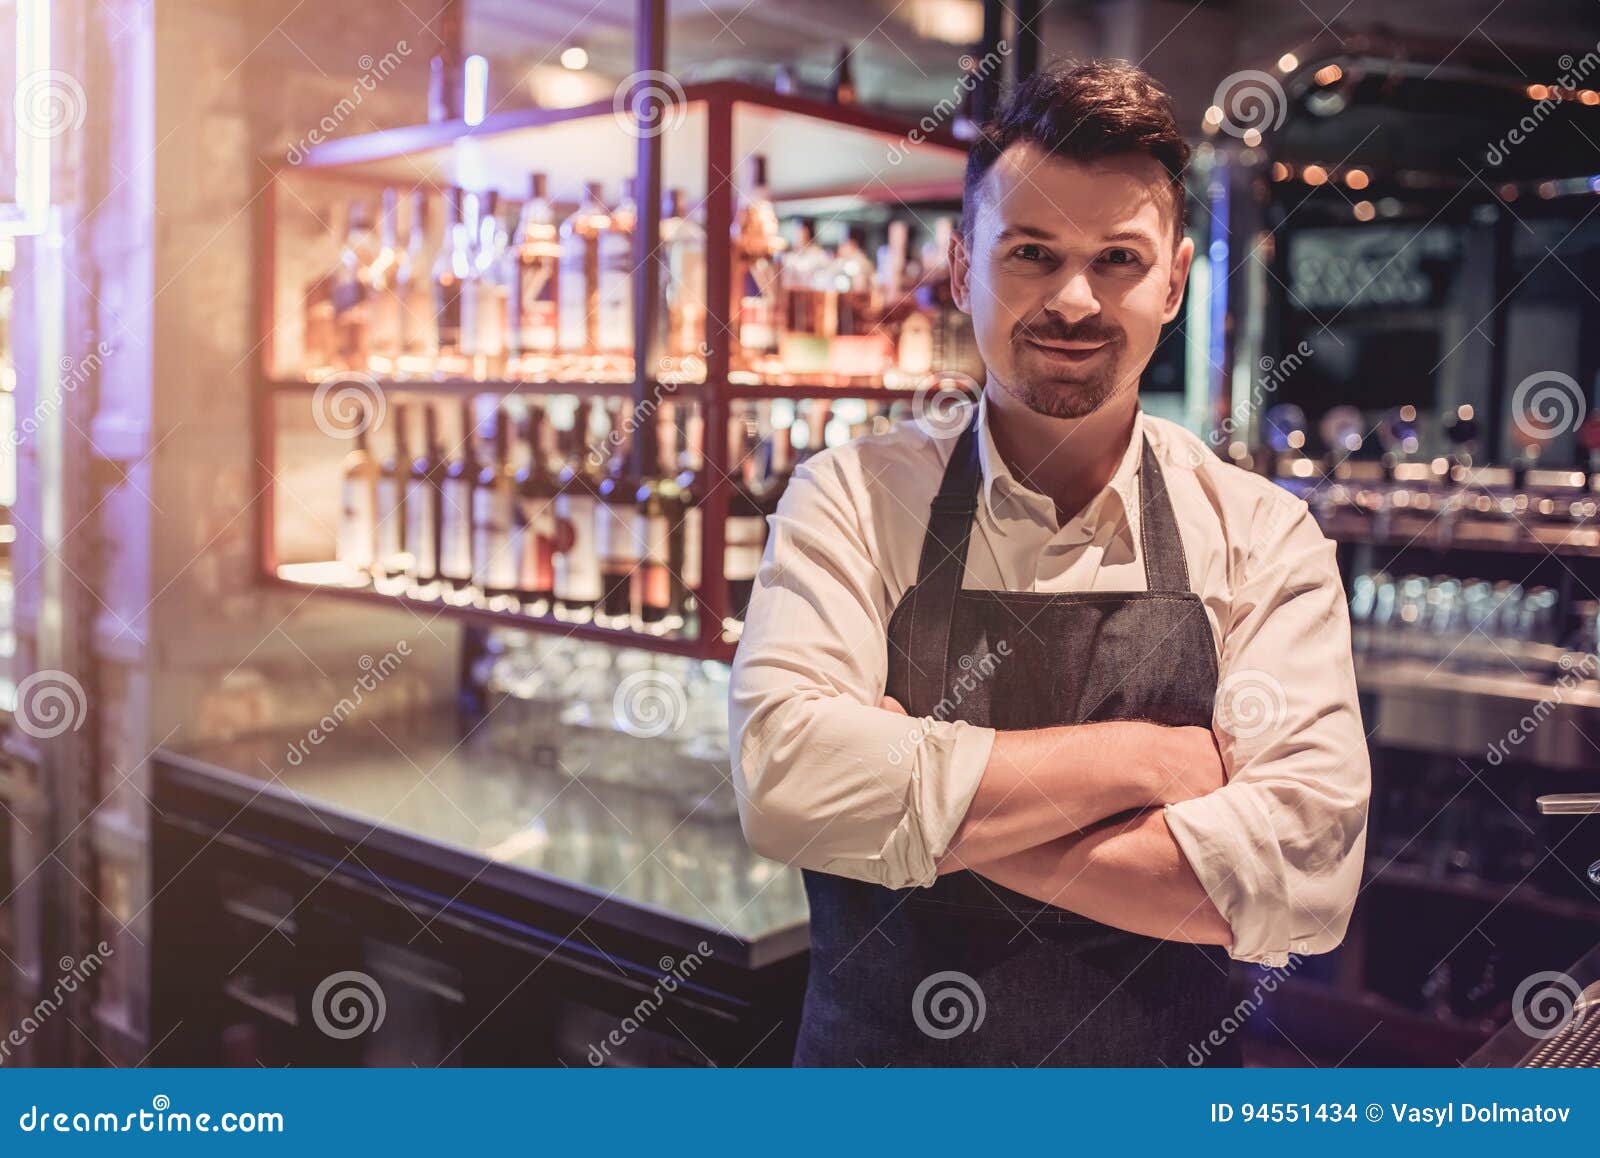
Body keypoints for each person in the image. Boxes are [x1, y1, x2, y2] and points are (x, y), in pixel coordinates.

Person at [729, 59, 1370, 1066]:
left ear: (1174, 281)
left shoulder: (1260, 536)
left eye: (1117, 258)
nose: (1073, 299)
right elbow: (786, 784)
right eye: (1030, 251)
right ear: (961, 266)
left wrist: (914, 815)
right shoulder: (847, 501)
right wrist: (1142, 764)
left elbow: (1305, 877)